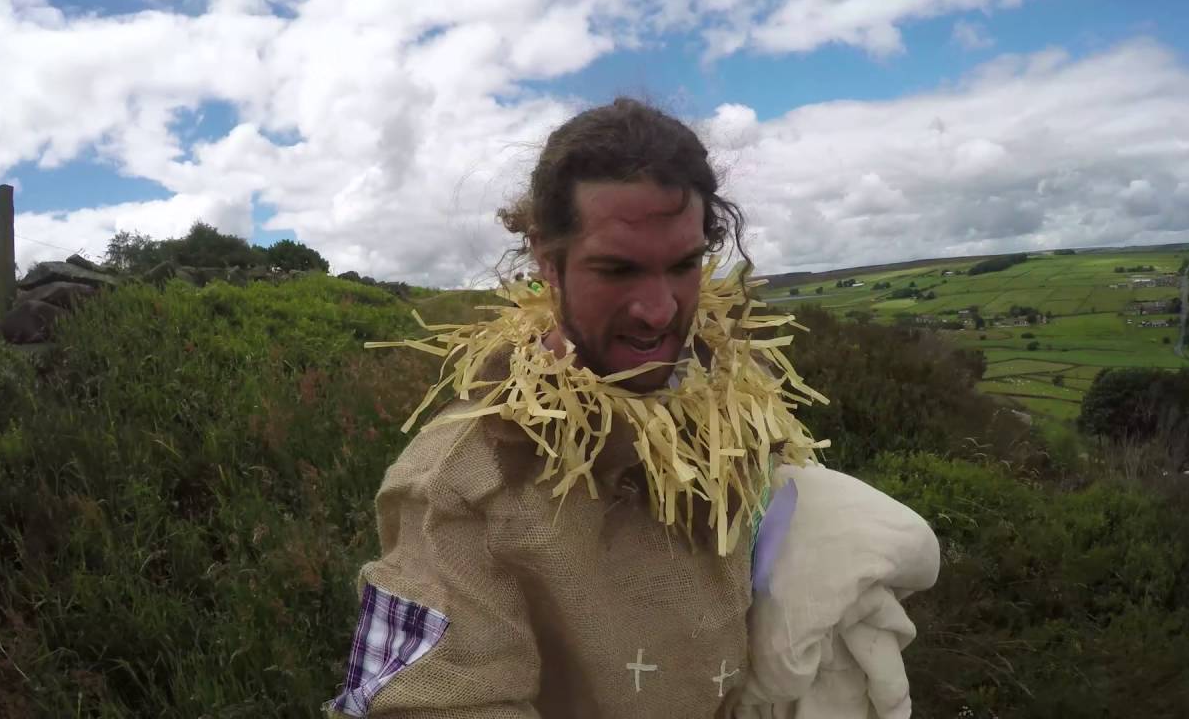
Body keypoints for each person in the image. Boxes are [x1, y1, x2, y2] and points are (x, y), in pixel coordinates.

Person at [325, 97, 829, 719]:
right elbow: (428, 705)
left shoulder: (739, 400)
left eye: (684, 265)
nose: (659, 310)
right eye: (616, 270)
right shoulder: (461, 485)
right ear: (547, 259)